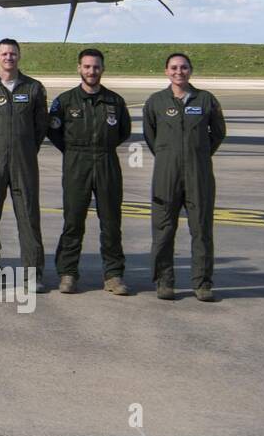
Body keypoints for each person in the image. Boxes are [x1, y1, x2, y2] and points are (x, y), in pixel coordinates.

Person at [143, 52, 226, 301]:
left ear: (191, 70)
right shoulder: (156, 101)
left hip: (198, 174)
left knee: (201, 229)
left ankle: (202, 283)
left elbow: (218, 133)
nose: (179, 72)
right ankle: (164, 281)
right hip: (166, 174)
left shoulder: (206, 99)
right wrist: (169, 155)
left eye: (184, 67)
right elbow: (151, 135)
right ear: (166, 71)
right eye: (174, 68)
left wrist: (198, 154)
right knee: (163, 229)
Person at [48, 48, 132, 295]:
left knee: (111, 222)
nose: (91, 71)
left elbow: (124, 131)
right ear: (79, 68)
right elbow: (53, 131)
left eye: (95, 67)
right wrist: (74, 151)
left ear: (102, 69)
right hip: (76, 162)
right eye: (86, 66)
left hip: (107, 161)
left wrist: (101, 148)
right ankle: (68, 273)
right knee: (73, 221)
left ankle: (114, 275)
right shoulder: (64, 101)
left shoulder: (115, 101)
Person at [0, 38, 49, 293]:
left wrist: (24, 147)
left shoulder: (34, 88)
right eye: (4, 54)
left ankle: (32, 274)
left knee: (28, 216)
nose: (8, 58)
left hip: (24, 162)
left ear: (19, 56)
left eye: (13, 54)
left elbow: (40, 128)